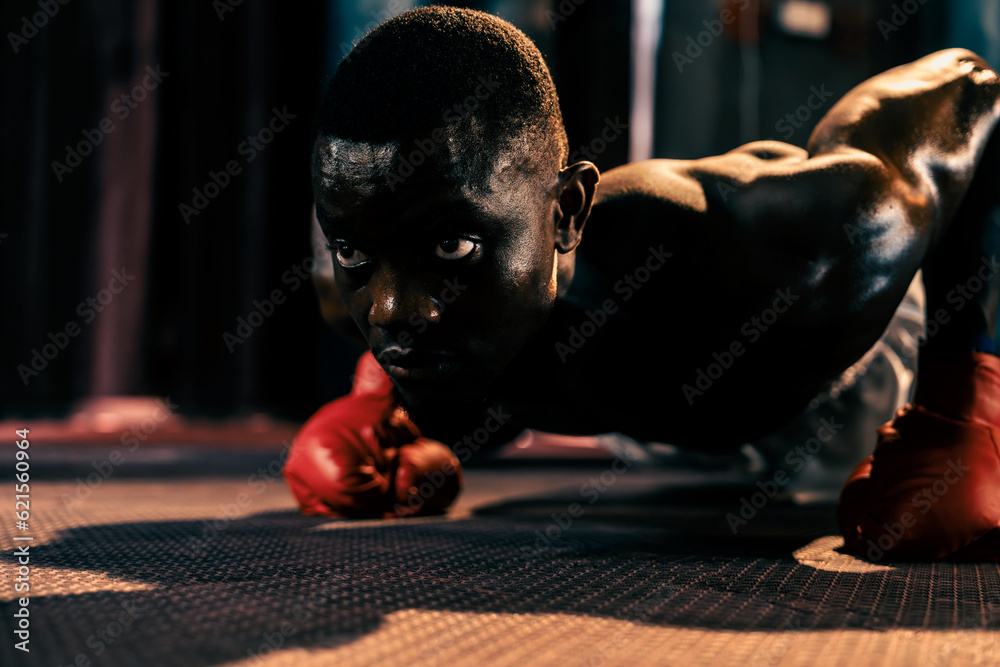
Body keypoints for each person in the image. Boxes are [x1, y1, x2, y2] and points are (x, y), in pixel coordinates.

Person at [282, 5, 1000, 561]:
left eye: (451, 243)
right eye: (353, 251)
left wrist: (966, 393)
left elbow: (975, 90)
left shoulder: (801, 245)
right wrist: (383, 401)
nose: (389, 309)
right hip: (656, 403)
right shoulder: (371, 294)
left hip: (851, 377)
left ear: (566, 215)